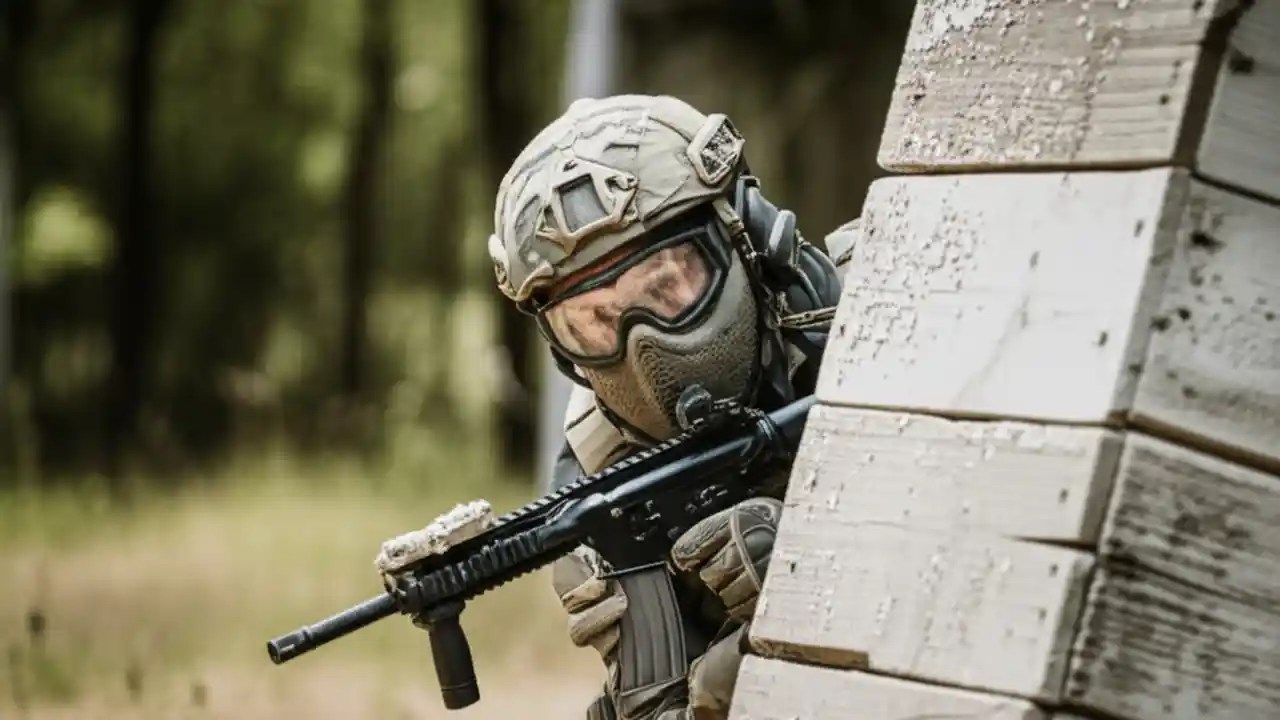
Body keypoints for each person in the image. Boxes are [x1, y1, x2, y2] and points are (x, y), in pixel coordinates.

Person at [486, 94, 845, 719]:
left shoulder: (892, 304)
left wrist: (814, 564)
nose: (643, 343)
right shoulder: (603, 475)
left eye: (665, 285)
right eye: (595, 321)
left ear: (746, 236)